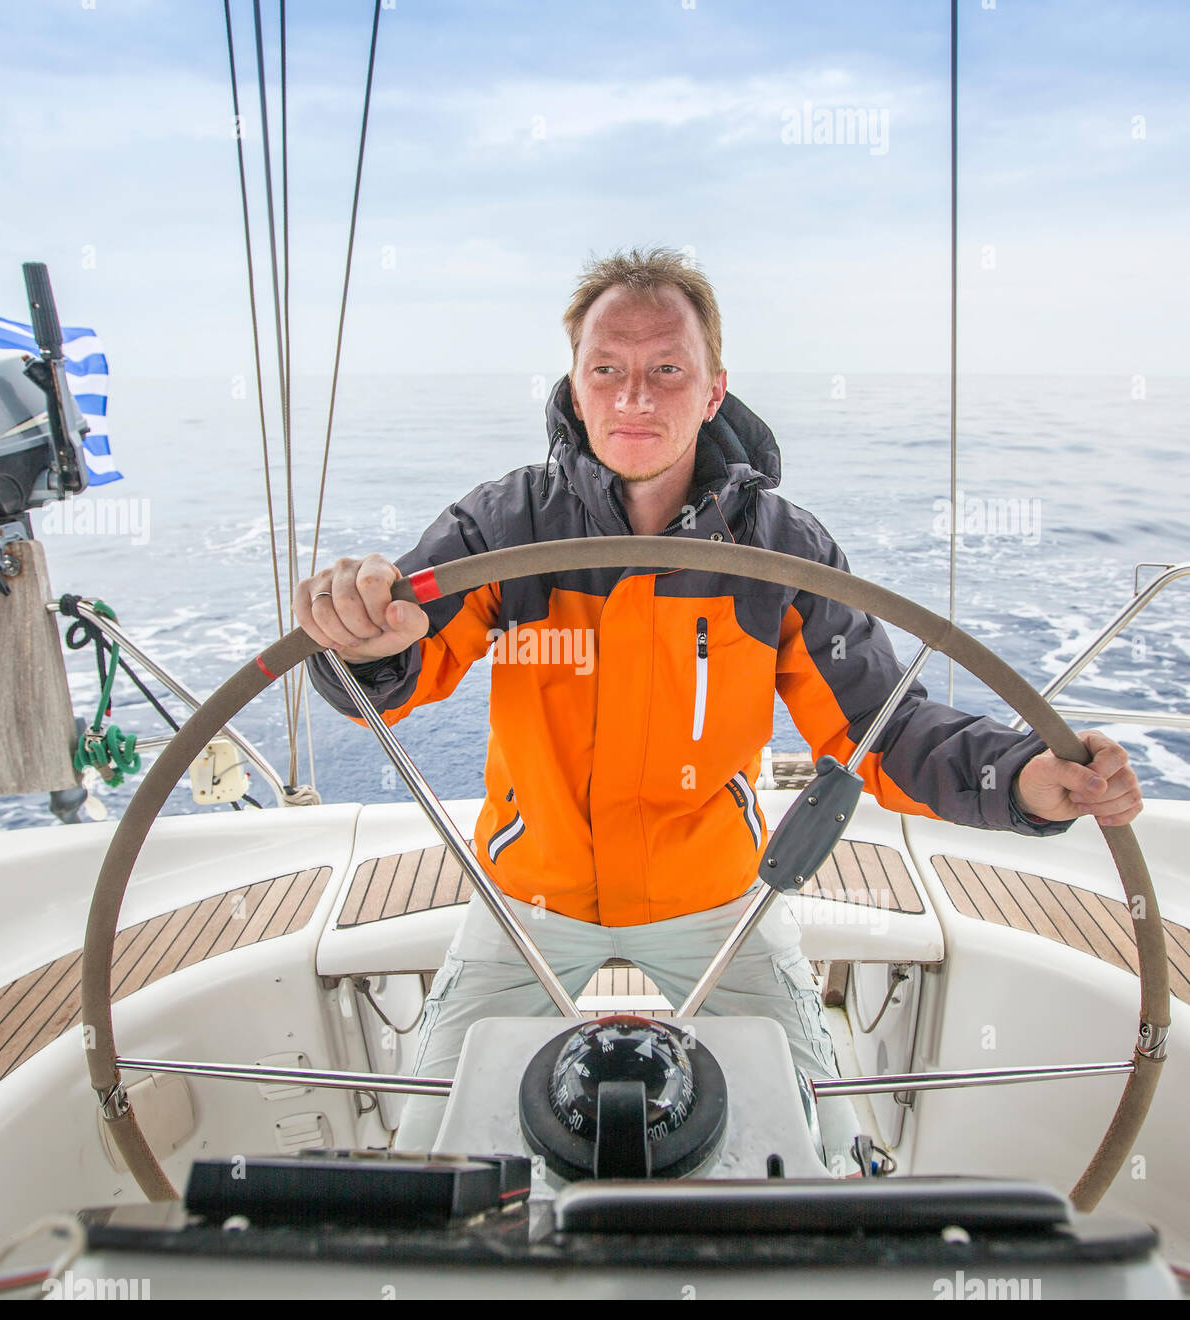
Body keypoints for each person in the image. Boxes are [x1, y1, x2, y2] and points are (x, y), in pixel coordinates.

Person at [296, 247, 1143, 1171]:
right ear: (575, 389)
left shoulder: (781, 549)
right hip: (526, 895)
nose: (634, 398)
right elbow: (403, 664)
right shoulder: (506, 526)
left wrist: (1021, 777)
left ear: (713, 391)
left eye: (668, 370)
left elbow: (879, 730)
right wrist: (363, 642)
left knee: (815, 1150)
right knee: (435, 1152)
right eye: (607, 371)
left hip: (716, 900)